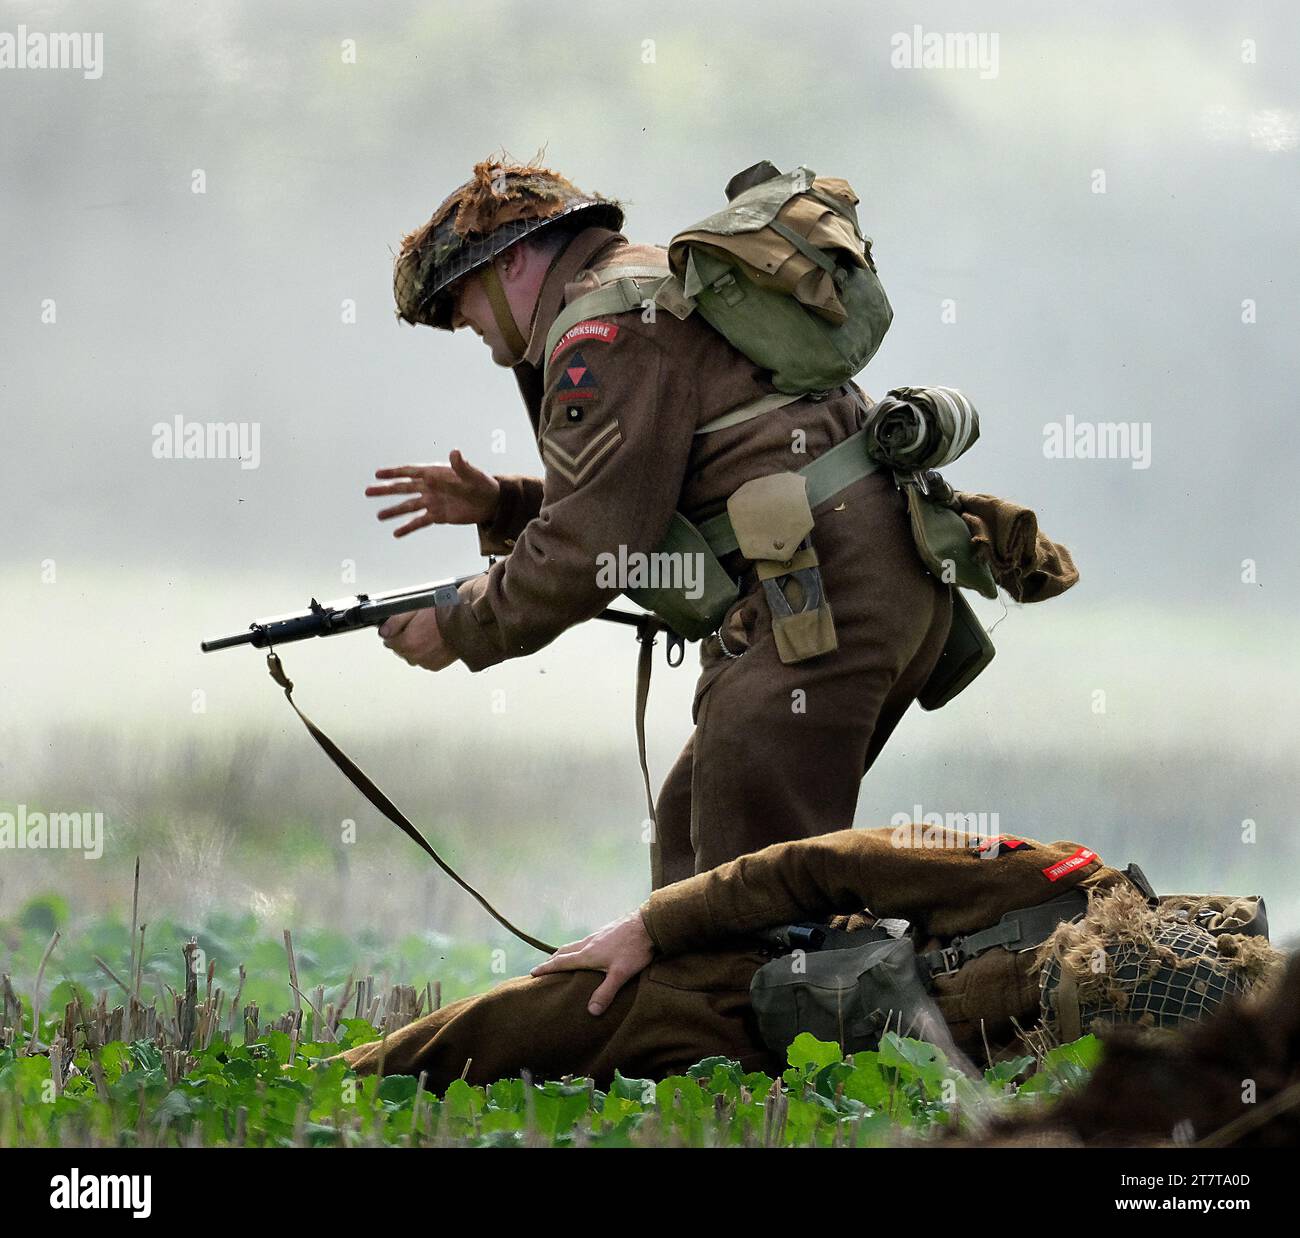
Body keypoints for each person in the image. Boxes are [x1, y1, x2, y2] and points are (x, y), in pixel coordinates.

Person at [365, 155, 960, 887]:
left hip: (820, 602)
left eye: (461, 302)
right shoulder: (648, 281)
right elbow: (645, 489)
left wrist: (458, 625)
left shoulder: (602, 329)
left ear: (514, 260)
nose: (465, 326)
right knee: (694, 855)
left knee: (749, 902)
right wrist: (505, 506)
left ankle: (926, 992)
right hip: (868, 576)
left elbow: (590, 548)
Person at [336, 826, 1279, 1091]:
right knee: (501, 1036)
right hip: (737, 992)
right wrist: (655, 927)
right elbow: (820, 864)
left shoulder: (1171, 1054)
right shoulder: (1035, 882)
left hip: (814, 1082)